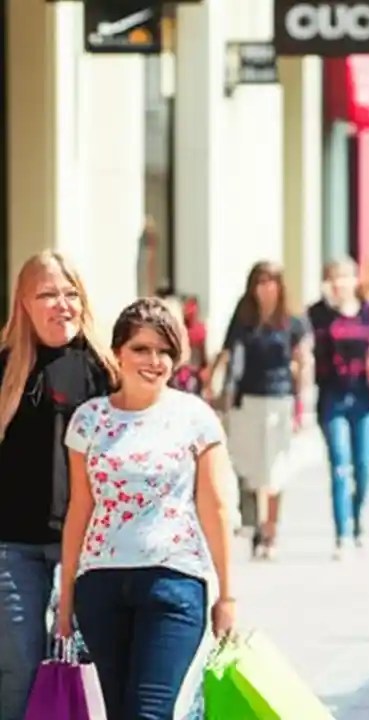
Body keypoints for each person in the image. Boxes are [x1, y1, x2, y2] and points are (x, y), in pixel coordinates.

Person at [58, 298, 235, 720]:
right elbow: (79, 511)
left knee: (149, 714)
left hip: (174, 585)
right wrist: (65, 602)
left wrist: (227, 596)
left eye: (165, 351)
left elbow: (216, 508)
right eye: (141, 348)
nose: (154, 361)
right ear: (118, 352)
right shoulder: (88, 421)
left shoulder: (195, 417)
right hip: (100, 587)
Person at [0, 252, 116, 720]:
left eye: (70, 294)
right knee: (20, 663)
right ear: (24, 303)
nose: (61, 304)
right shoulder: (6, 365)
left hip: (87, 545)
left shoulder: (104, 369)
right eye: (48, 294)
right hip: (13, 543)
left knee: (84, 664)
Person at [210, 262, 311, 559]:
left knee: (275, 468)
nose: (266, 288)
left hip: (279, 400)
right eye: (260, 282)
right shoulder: (244, 319)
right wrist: (213, 385)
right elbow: (227, 353)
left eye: (271, 282)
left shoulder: (292, 321)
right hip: (247, 400)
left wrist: (301, 404)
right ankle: (255, 523)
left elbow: (302, 361)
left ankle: (270, 530)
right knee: (250, 465)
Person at [309, 258, 369, 559]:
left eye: (345, 277)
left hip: (365, 397)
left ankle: (357, 521)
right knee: (340, 465)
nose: (340, 283)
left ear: (355, 280)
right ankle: (342, 534)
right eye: (333, 277)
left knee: (364, 466)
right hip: (332, 396)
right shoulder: (318, 314)